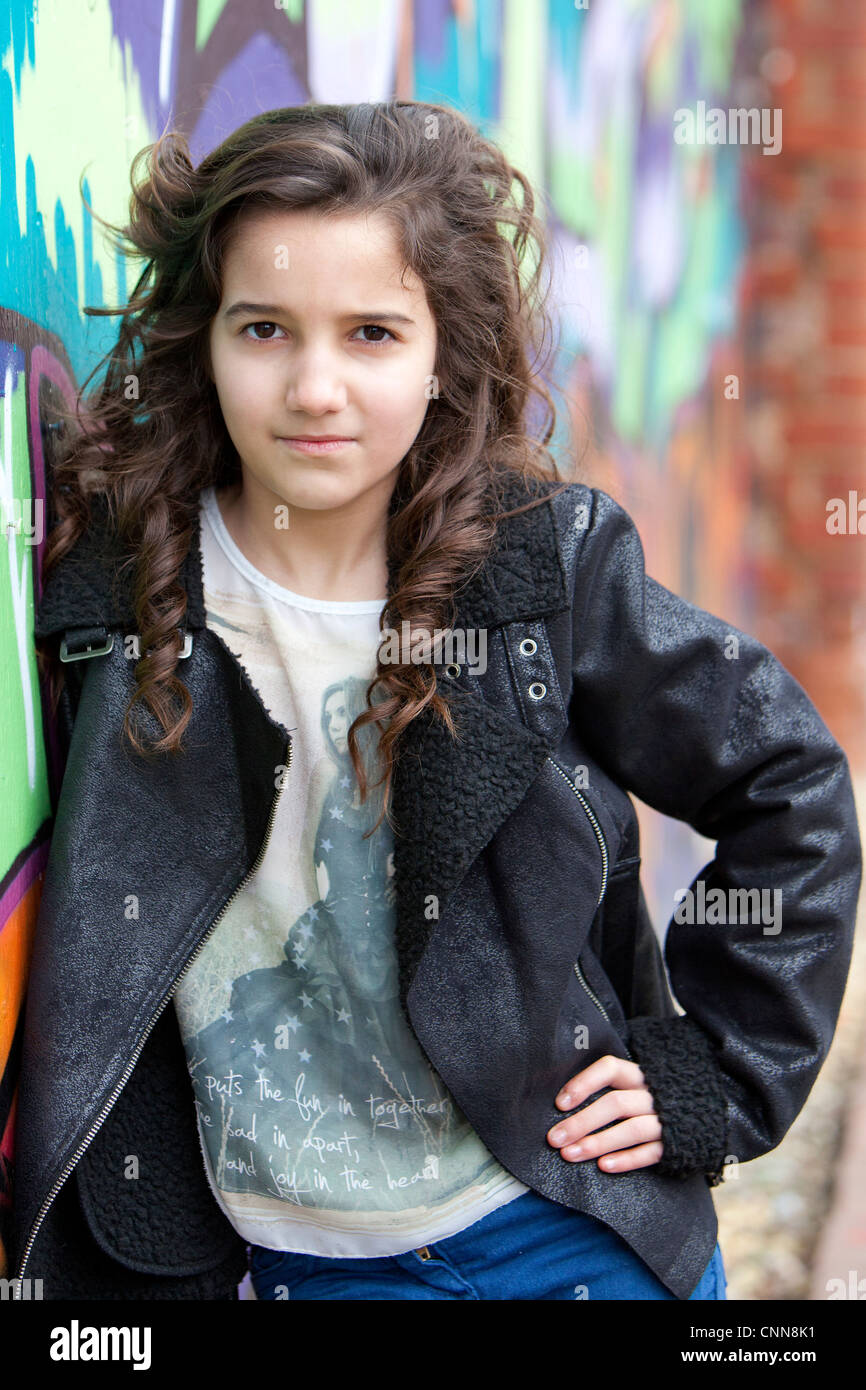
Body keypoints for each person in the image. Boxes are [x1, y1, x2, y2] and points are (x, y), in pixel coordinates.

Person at [16, 101, 860, 1302]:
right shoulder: (117, 596)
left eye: (370, 333)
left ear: (441, 352)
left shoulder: (537, 569)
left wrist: (709, 1072)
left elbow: (785, 781)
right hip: (292, 1268)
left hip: (565, 1233)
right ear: (206, 337)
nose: (315, 387)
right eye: (265, 329)